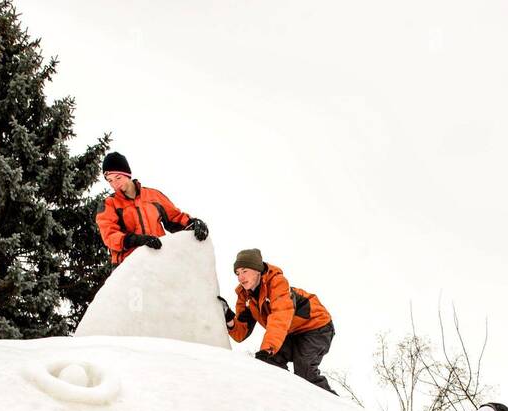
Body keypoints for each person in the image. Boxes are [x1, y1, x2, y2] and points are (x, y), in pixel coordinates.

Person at [219, 249, 337, 394]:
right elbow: (241, 332)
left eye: (244, 271)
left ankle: (340, 409)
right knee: (270, 363)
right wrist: (228, 317)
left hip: (316, 327)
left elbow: (280, 316)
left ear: (257, 270)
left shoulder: (277, 282)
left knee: (305, 371)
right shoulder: (246, 296)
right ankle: (285, 398)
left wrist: (267, 349)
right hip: (289, 332)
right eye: (237, 273)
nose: (240, 277)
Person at [94, 151, 208, 267]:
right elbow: (110, 235)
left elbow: (175, 218)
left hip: (158, 261)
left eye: (118, 177)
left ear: (128, 174)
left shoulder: (153, 196)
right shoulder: (109, 204)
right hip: (128, 266)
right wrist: (136, 240)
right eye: (110, 180)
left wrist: (192, 223)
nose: (114, 184)